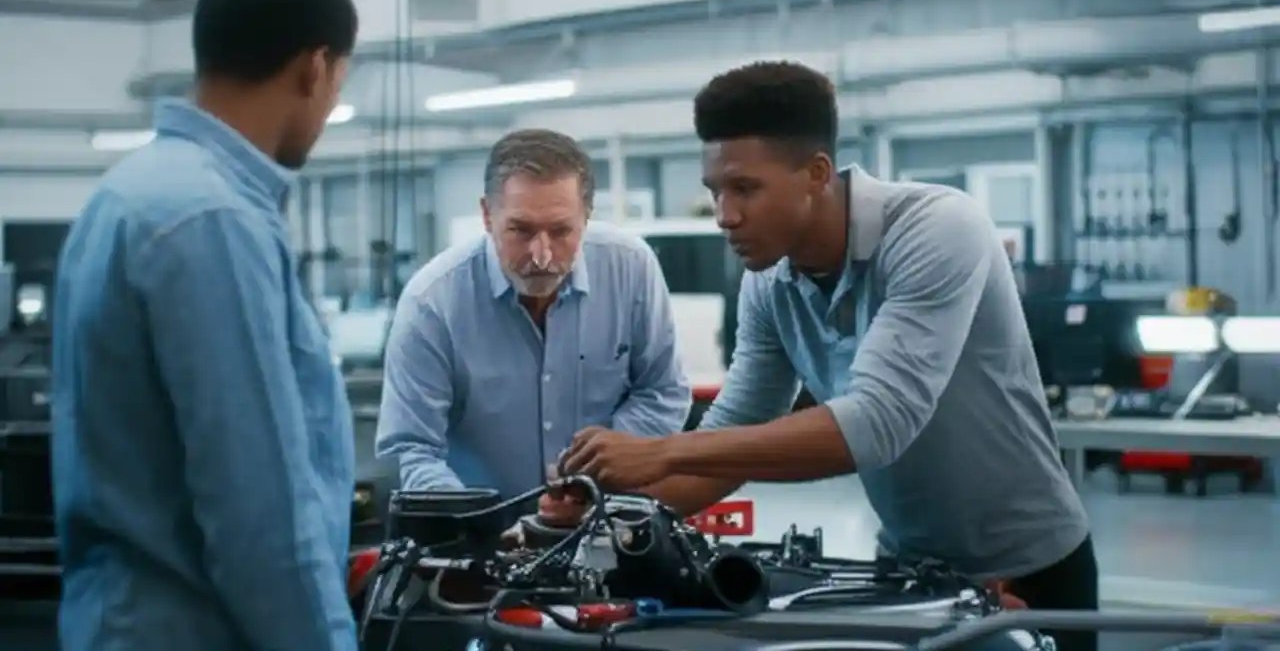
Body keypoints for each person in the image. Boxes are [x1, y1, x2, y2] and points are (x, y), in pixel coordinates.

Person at [561, 61, 1098, 651]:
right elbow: (737, 434)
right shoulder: (768, 284)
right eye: (716, 191)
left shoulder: (938, 229)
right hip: (911, 569)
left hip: (1032, 563)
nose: (725, 216)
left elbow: (877, 423)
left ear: (816, 173)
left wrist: (660, 451)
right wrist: (596, 521)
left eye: (746, 188)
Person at [51, 0, 359, 651]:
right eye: (338, 81)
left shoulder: (128, 196)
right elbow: (260, 512)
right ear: (315, 68)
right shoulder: (213, 220)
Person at [375, 129, 689, 520]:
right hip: (481, 543)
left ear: (587, 215)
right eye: (521, 231)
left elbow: (662, 391)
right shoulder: (432, 303)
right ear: (487, 215)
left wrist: (600, 468)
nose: (541, 257)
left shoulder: (631, 268)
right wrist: (473, 526)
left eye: (561, 231)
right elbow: (412, 447)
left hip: (606, 523)